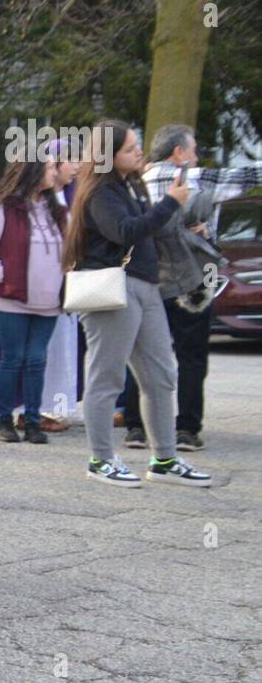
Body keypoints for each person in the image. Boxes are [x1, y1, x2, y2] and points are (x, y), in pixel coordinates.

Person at [64, 120, 210, 488]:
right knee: (107, 377)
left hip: (145, 286)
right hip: (113, 287)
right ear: (108, 156)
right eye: (130, 149)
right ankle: (100, 459)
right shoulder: (101, 191)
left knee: (161, 375)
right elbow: (125, 231)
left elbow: (150, 228)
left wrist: (181, 215)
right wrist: (168, 204)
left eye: (137, 146)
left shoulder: (130, 185)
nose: (139, 152)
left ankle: (164, 458)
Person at [121, 124, 262, 451]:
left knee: (139, 353)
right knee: (192, 356)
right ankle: (186, 429)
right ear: (178, 153)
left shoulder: (132, 184)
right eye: (193, 149)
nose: (197, 156)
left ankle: (135, 426)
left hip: (145, 279)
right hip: (190, 284)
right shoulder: (196, 179)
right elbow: (249, 177)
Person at [0, 140, 84, 430]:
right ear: (32, 172)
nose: (53, 172)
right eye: (48, 168)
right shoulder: (2, 209)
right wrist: (7, 276)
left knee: (36, 361)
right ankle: (4, 421)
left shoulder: (57, 211)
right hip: (11, 300)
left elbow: (70, 249)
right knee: (12, 360)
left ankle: (34, 420)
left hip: (48, 304)